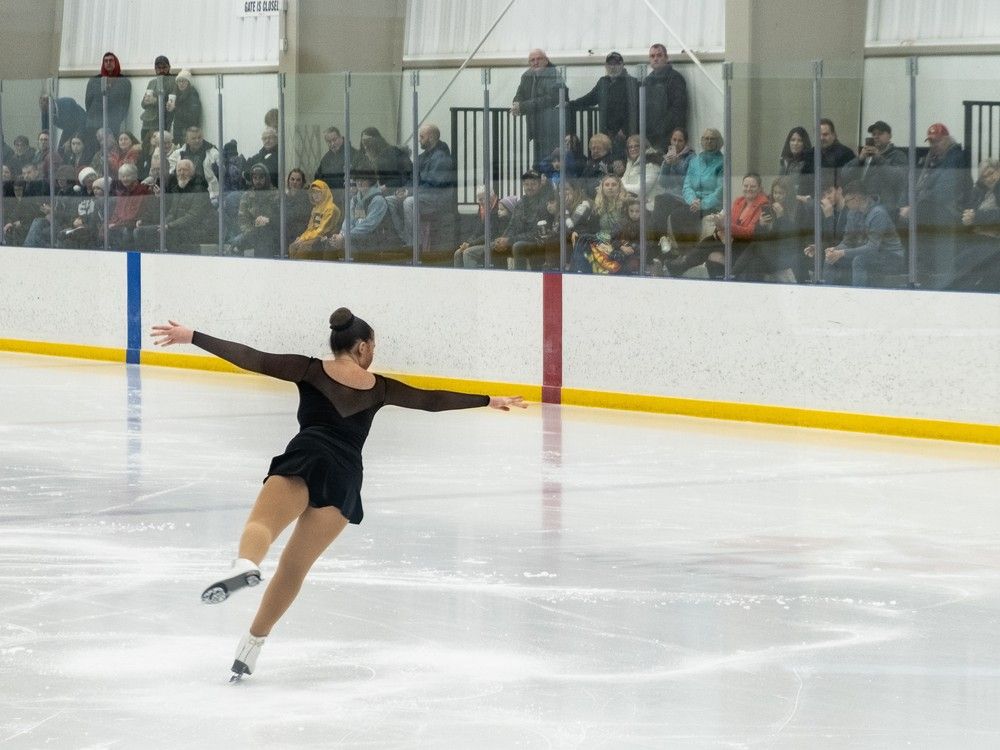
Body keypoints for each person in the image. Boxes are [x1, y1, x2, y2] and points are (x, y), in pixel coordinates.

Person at [149, 309, 525, 681]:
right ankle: (251, 645)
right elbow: (430, 400)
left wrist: (193, 336)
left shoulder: (309, 370)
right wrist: (488, 400)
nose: (374, 352)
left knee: (263, 523)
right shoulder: (380, 387)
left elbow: (252, 358)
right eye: (373, 346)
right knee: (295, 568)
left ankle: (245, 565)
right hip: (345, 478)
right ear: (361, 346)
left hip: (306, 458)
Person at [814, 180, 905, 287]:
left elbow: (872, 247)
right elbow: (848, 242)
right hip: (868, 254)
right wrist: (835, 250)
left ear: (856, 198)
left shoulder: (878, 214)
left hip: (891, 256)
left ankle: (857, 296)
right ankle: (826, 291)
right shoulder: (852, 214)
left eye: (847, 201)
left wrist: (842, 253)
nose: (846, 205)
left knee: (859, 260)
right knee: (831, 259)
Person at [387, 124, 455, 247]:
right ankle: (404, 237)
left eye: (422, 136)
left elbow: (434, 184)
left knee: (409, 202)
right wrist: (404, 190)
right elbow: (412, 179)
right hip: (423, 196)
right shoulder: (422, 157)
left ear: (432, 137)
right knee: (389, 200)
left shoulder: (442, 158)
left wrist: (409, 192)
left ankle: (414, 243)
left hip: (437, 198)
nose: (419, 139)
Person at [568, 51, 639, 157]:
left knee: (623, 160)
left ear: (622, 65)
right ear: (606, 66)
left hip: (625, 134)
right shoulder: (603, 82)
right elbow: (590, 98)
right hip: (606, 132)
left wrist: (624, 130)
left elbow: (636, 108)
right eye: (610, 64)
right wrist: (569, 104)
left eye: (616, 64)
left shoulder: (631, 83)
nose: (613, 67)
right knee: (606, 160)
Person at [134, 158, 212, 253]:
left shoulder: (200, 190)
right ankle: (148, 263)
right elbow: (172, 213)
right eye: (179, 170)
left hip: (195, 229)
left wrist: (169, 226)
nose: (182, 173)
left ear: (192, 172)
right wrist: (164, 224)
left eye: (185, 170)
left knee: (164, 235)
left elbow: (193, 216)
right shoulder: (177, 188)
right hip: (176, 227)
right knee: (140, 231)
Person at [324, 170, 396, 262]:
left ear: (371, 181)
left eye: (363, 180)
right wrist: (341, 235)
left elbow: (368, 226)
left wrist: (344, 237)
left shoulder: (378, 200)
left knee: (349, 248)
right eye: (357, 180)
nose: (359, 183)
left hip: (375, 241)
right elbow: (348, 220)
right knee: (331, 244)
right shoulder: (355, 199)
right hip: (354, 237)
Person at [952, 158, 1000, 292]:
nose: (989, 179)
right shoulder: (981, 192)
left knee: (963, 262)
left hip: (993, 241)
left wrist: (976, 217)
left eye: (991, 173)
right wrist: (968, 217)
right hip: (980, 238)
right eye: (984, 177)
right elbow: (968, 209)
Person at [842, 120, 908, 218]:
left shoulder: (898, 155)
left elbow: (899, 179)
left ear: (890, 136)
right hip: (862, 202)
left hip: (885, 205)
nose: (876, 137)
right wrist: (859, 160)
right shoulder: (865, 156)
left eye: (880, 133)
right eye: (873, 134)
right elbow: (844, 175)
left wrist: (879, 159)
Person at [512, 49, 561, 169]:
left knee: (550, 164)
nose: (535, 62)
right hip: (536, 128)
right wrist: (516, 105)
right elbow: (519, 94)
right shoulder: (526, 75)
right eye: (532, 60)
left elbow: (551, 99)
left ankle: (550, 187)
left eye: (539, 59)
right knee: (538, 165)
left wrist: (522, 107)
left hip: (552, 128)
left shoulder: (553, 73)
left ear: (546, 60)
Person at [644, 44, 688, 152]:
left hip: (669, 136)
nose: (655, 59)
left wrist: (662, 129)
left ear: (666, 58)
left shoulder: (675, 78)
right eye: (652, 56)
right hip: (649, 136)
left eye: (659, 55)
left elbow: (678, 109)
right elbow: (643, 109)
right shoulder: (647, 81)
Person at [288, 180, 341, 260]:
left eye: (318, 192)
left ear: (324, 193)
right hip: (314, 236)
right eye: (313, 192)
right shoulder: (315, 208)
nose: (315, 195)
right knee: (293, 246)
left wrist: (303, 239)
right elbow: (310, 228)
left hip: (325, 238)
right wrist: (301, 238)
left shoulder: (331, 208)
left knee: (303, 247)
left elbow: (321, 230)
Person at [84, 52, 131, 139]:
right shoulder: (94, 81)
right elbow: (88, 103)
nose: (108, 63)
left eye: (111, 60)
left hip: (113, 123)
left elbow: (125, 104)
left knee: (111, 148)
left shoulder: (124, 81)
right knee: (94, 149)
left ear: (115, 62)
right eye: (106, 61)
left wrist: (118, 118)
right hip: (94, 122)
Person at [314, 126, 361, 209]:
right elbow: (318, 179)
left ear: (341, 138)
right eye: (329, 141)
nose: (332, 143)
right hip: (331, 202)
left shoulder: (354, 155)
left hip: (352, 200)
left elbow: (362, 177)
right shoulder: (326, 159)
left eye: (334, 140)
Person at [139, 55, 177, 143]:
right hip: (146, 123)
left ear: (169, 67)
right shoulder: (152, 82)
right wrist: (145, 101)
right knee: (146, 148)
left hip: (161, 122)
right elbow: (143, 105)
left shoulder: (173, 81)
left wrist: (155, 101)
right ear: (155, 69)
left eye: (164, 67)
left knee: (160, 148)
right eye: (158, 68)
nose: (161, 70)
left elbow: (171, 106)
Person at [169, 70, 202, 144]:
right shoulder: (177, 94)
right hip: (178, 131)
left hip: (188, 132)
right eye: (179, 81)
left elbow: (193, 117)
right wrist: (169, 108)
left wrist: (175, 109)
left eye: (184, 81)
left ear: (189, 82)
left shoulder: (193, 96)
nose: (181, 83)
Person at [779, 126, 812, 198]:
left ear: (804, 143)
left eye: (800, 140)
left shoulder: (809, 163)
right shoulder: (784, 162)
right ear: (789, 142)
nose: (795, 143)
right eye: (793, 140)